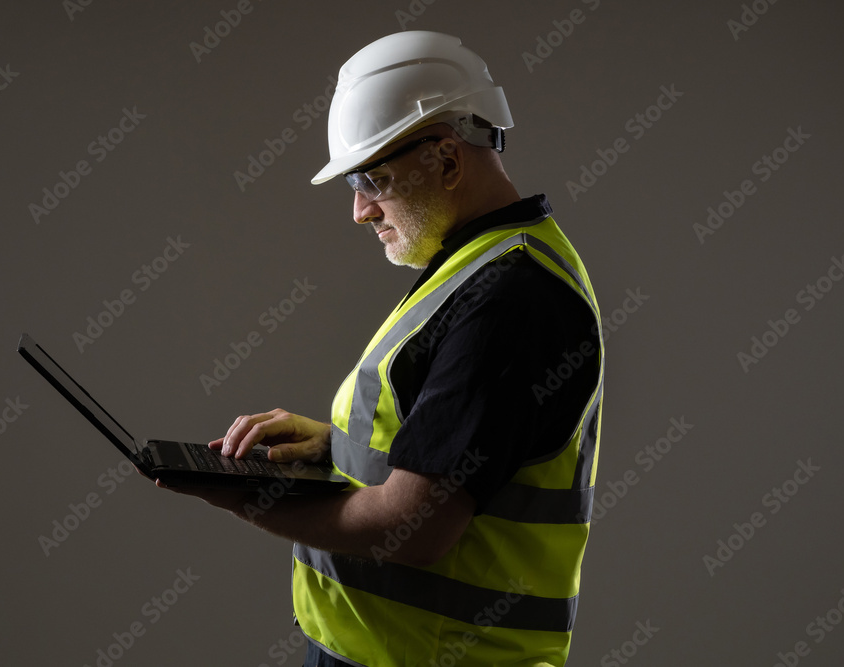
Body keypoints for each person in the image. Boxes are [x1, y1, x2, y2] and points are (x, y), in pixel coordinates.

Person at [152, 31, 605, 667]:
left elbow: (414, 528)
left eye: (374, 178)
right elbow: (457, 452)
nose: (361, 210)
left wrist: (241, 496)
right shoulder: (480, 267)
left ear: (448, 160)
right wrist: (333, 445)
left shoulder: (511, 298)